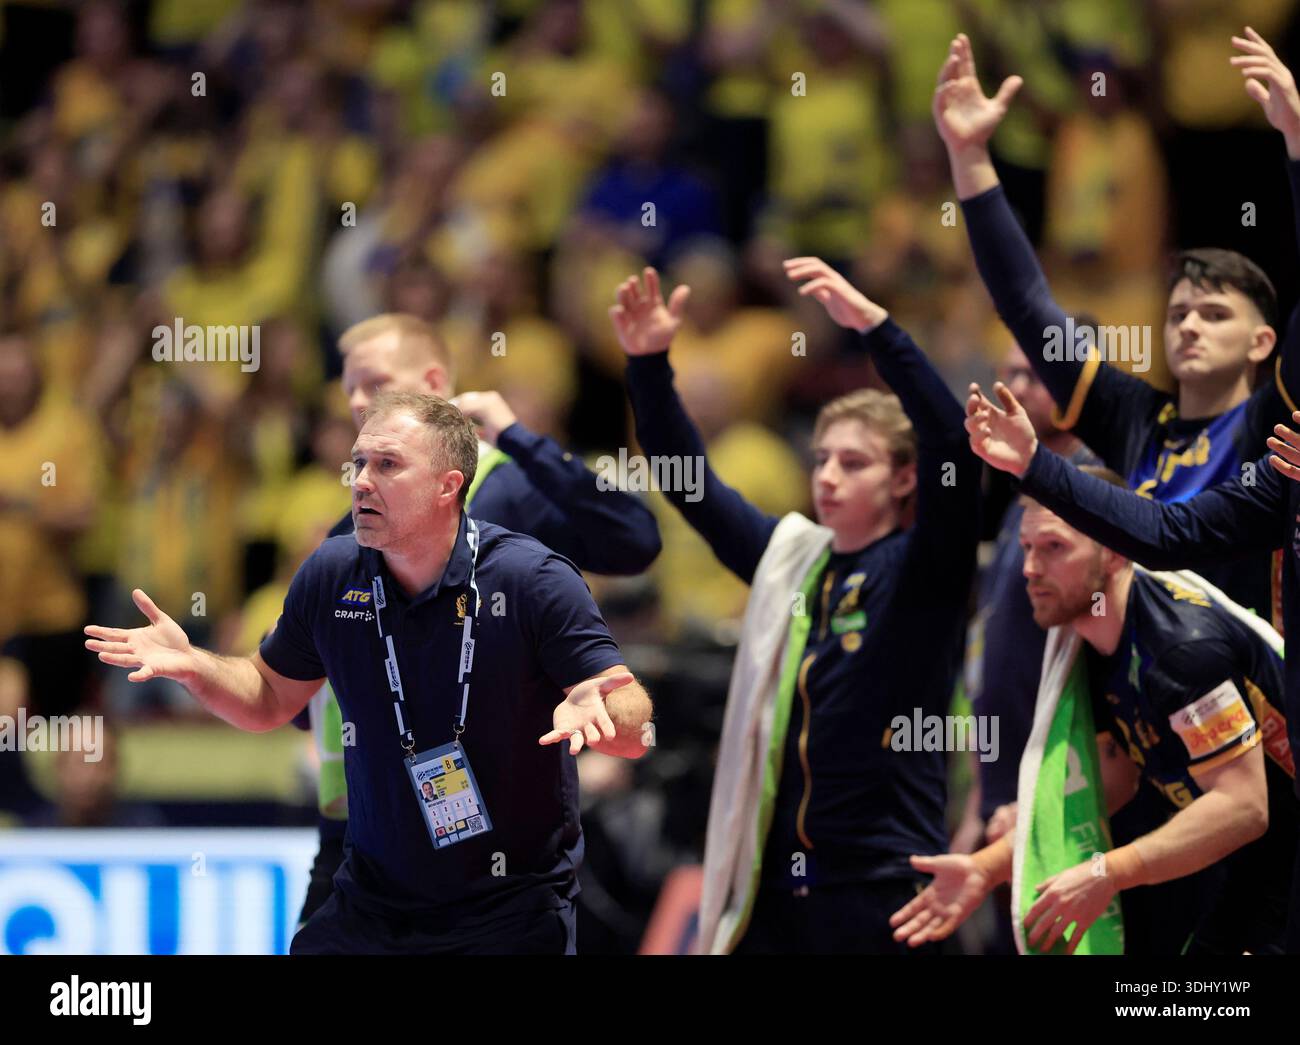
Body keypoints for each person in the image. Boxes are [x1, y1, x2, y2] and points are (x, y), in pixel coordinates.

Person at [87, 391, 653, 955]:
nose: (360, 480)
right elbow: (268, 696)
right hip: (372, 904)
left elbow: (632, 721)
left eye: (387, 465)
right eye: (358, 462)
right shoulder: (332, 573)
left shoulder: (531, 580)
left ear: (448, 486)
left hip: (509, 910)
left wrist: (602, 711)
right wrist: (196, 668)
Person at [613, 260, 980, 953]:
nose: (828, 477)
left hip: (888, 887)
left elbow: (952, 444)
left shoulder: (925, 569)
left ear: (905, 478)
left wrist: (876, 329)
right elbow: (689, 482)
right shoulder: (794, 560)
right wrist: (648, 363)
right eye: (821, 460)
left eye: (853, 462)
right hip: (779, 884)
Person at [295, 312, 662, 928]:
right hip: (364, 827)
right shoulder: (354, 527)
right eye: (350, 387)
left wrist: (519, 436)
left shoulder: (504, 488)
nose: (358, 400)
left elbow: (634, 538)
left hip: (490, 844)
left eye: (375, 381)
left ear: (435, 380)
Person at [934, 28, 1300, 622]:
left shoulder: (1272, 423)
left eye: (1214, 314)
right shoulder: (1136, 421)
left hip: (1251, 700)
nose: (1189, 327)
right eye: (1179, 313)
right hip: (1133, 698)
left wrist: (1296, 144)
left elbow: (1165, 533)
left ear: (1264, 341)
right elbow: (1029, 307)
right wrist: (969, 156)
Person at [892, 467, 1295, 954]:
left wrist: (1107, 872)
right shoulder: (1094, 637)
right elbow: (1111, 778)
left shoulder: (1179, 649)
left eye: (1054, 548)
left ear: (1113, 547)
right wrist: (988, 866)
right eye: (1026, 548)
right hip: (1255, 872)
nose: (1029, 568)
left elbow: (1243, 807)